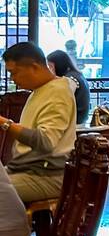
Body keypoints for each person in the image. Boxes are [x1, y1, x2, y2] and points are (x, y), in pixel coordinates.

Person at [1, 42, 76, 207]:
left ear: (33, 67)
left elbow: (46, 142)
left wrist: (4, 123)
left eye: (14, 72)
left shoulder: (58, 92)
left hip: (46, 176)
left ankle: (13, 232)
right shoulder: (41, 90)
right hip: (27, 171)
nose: (12, 78)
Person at [46, 49, 90, 127]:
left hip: (76, 122)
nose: (50, 70)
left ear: (59, 65)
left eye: (51, 66)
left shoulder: (69, 79)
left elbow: (61, 100)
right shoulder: (76, 75)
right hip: (81, 119)